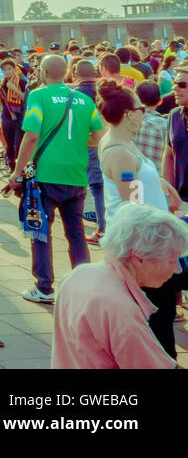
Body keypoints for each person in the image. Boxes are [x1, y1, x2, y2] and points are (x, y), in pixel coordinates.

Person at [93, 81, 188, 356]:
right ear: (128, 114)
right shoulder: (119, 151)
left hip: (152, 243)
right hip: (145, 248)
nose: (144, 113)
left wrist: (161, 184)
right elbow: (132, 201)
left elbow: (136, 183)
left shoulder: (124, 143)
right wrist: (171, 220)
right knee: (158, 319)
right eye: (140, 109)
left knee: (162, 314)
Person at [8, 54, 107, 304]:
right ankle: (84, 285)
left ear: (42, 72)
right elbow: (98, 136)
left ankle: (44, 287)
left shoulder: (38, 96)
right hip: (76, 175)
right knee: (76, 232)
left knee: (41, 232)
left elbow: (31, 136)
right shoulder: (84, 100)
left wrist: (18, 171)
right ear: (67, 73)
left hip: (45, 176)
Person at [51, 203, 185, 369]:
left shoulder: (78, 274)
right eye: (172, 260)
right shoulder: (121, 309)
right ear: (139, 258)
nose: (177, 269)